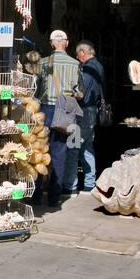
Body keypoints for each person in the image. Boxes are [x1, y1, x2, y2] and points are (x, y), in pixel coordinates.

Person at [36, 30, 82, 207]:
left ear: (51, 43)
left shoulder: (42, 63)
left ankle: (36, 194)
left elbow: (36, 90)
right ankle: (54, 198)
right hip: (65, 110)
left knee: (40, 152)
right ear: (67, 43)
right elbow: (80, 92)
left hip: (45, 110)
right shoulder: (75, 64)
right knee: (60, 153)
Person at [74, 41, 105, 194]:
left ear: (82, 53)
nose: (77, 58)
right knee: (87, 147)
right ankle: (89, 183)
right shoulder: (99, 65)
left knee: (75, 147)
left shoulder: (87, 68)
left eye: (77, 55)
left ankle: (72, 186)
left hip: (84, 111)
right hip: (92, 111)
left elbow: (81, 92)